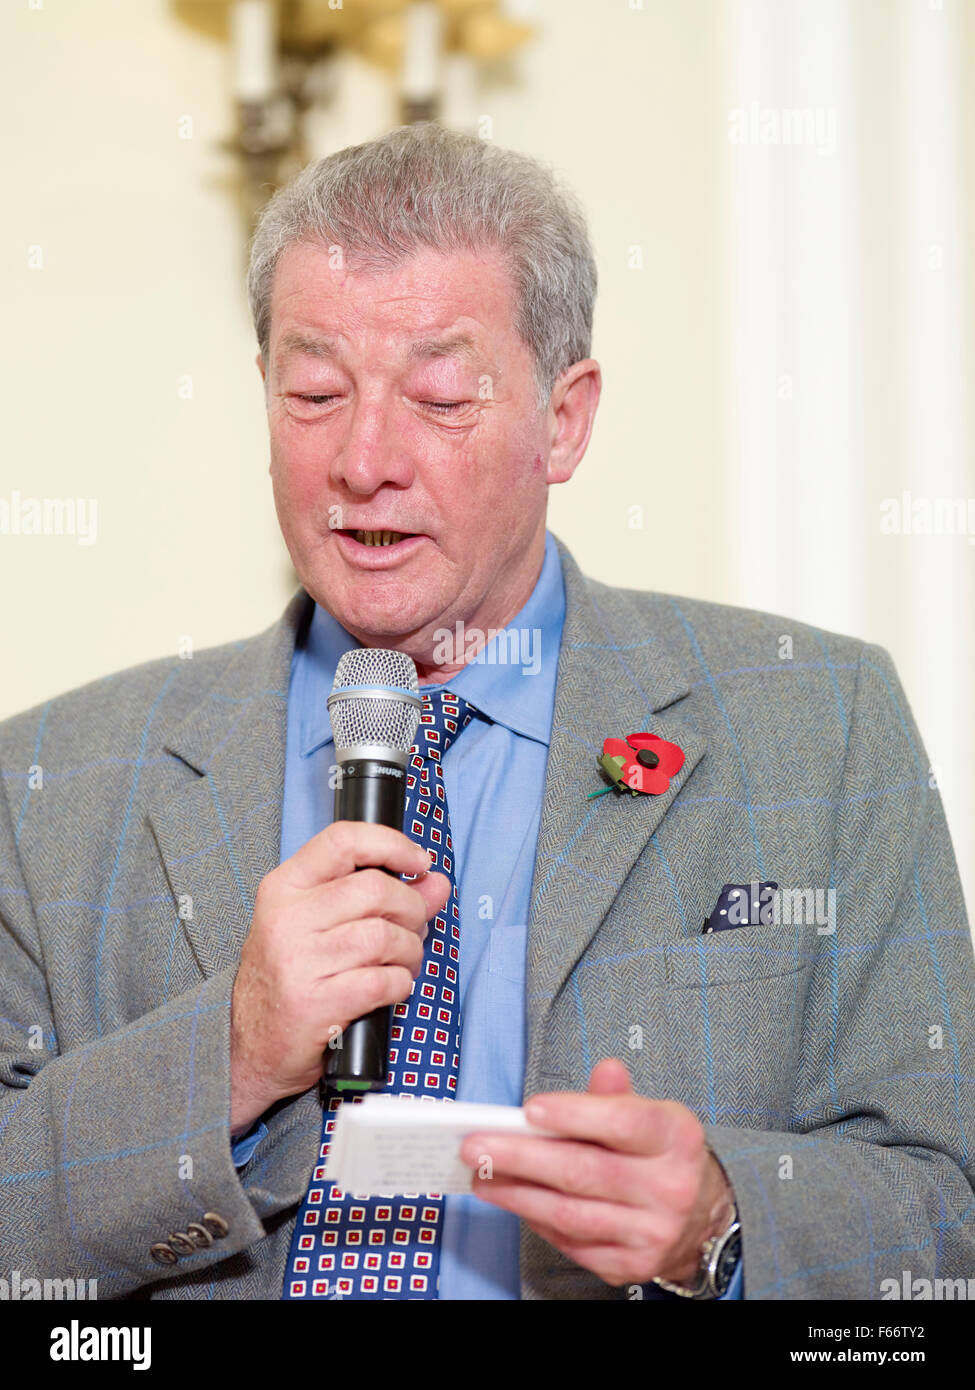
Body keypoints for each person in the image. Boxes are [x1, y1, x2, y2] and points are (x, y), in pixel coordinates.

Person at [1, 123, 973, 1302]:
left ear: (564, 421)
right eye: (315, 391)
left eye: (441, 396)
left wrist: (722, 1221)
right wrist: (230, 1054)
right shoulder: (52, 779)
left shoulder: (821, 727)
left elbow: (948, 1223)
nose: (364, 459)